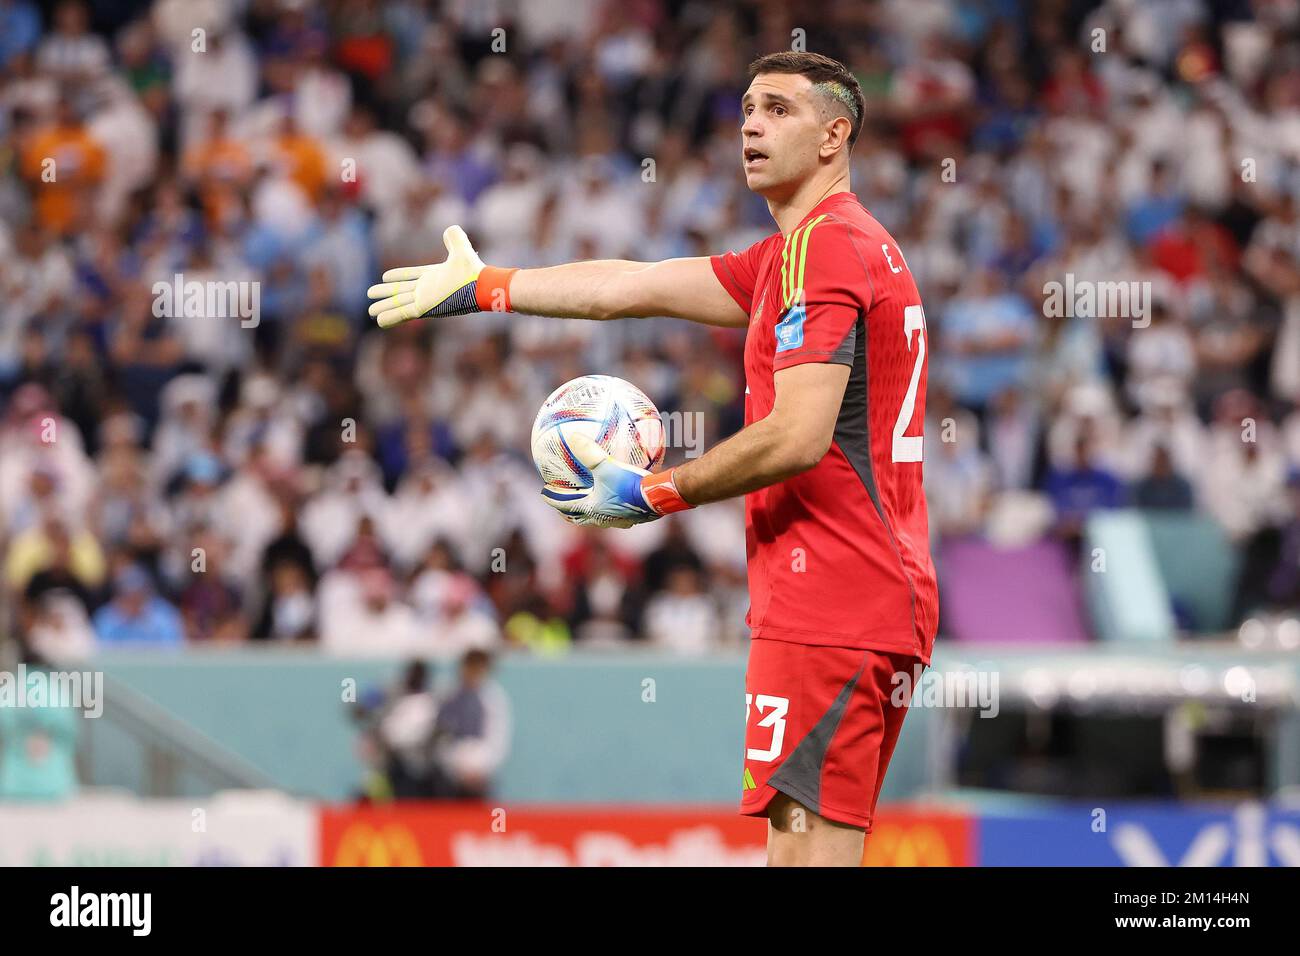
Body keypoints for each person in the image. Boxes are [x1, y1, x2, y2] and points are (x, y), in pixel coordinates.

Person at [368, 52, 938, 867]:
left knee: (807, 858)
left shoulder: (826, 250)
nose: (751, 123)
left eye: (778, 109)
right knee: (804, 855)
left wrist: (651, 495)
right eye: (747, 106)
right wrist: (488, 285)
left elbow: (797, 435)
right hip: (865, 595)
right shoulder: (805, 255)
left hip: (835, 599)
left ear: (833, 135)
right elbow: (628, 286)